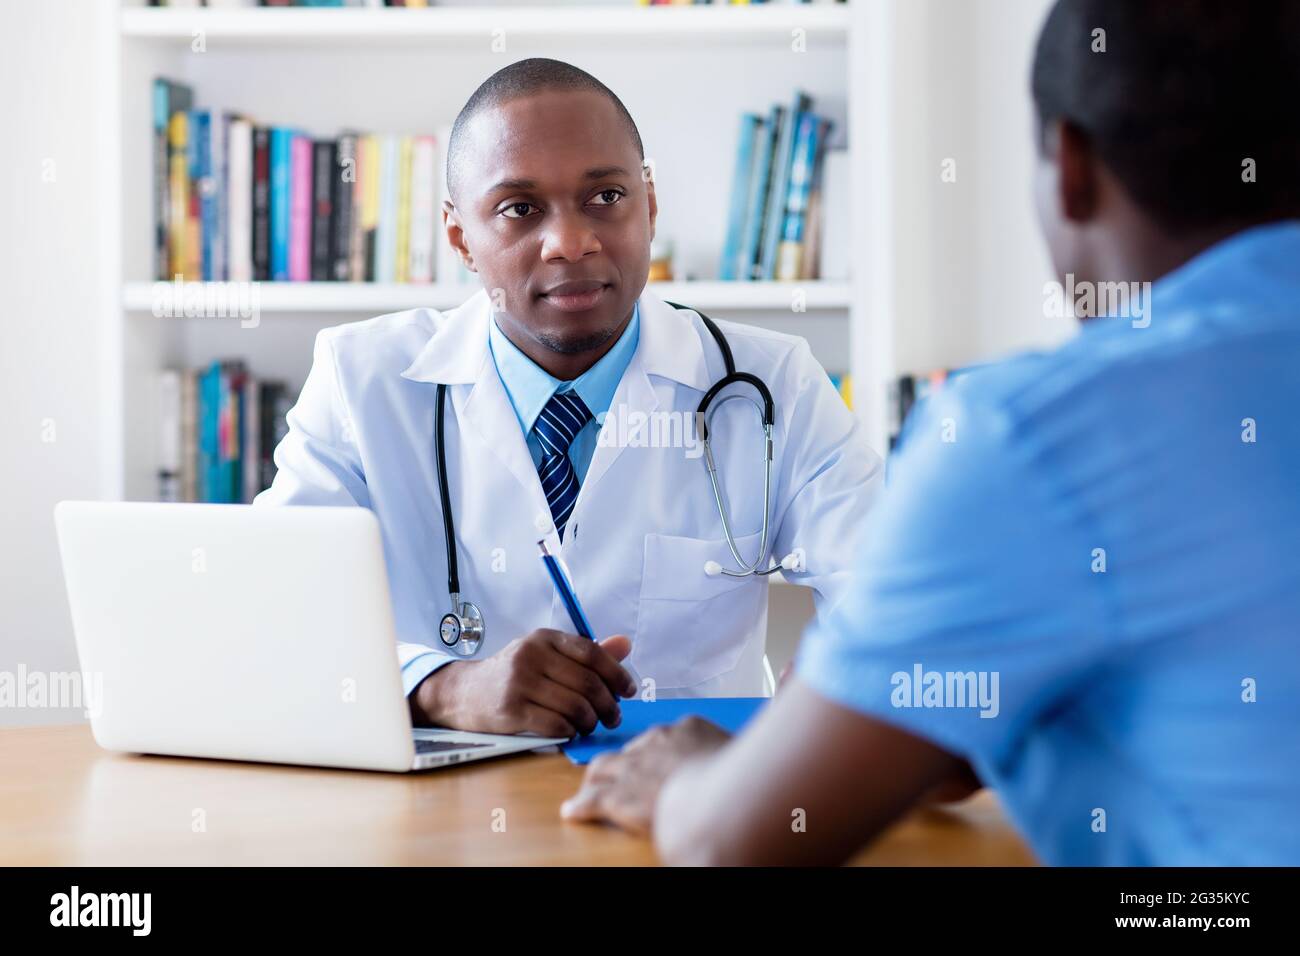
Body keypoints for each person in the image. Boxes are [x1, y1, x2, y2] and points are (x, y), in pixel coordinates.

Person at [560, 0, 1300, 866]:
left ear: (1069, 167)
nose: (569, 244)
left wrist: (684, 777)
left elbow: (735, 840)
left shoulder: (1034, 435)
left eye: (606, 197)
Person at [257, 59, 883, 738]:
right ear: (461, 237)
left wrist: (839, 681)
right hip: (440, 820)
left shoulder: (772, 383)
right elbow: (274, 612)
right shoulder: (360, 380)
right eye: (520, 209)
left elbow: (889, 592)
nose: (571, 242)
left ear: (650, 203)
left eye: (606, 197)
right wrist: (441, 686)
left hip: (685, 808)